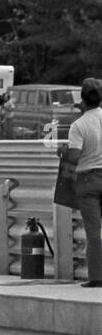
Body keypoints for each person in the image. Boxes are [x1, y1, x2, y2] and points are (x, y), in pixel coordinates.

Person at [66, 77, 102, 287]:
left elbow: (73, 156)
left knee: (94, 231)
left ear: (82, 99)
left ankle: (97, 277)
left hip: (88, 181)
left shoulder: (79, 125)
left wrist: (63, 152)